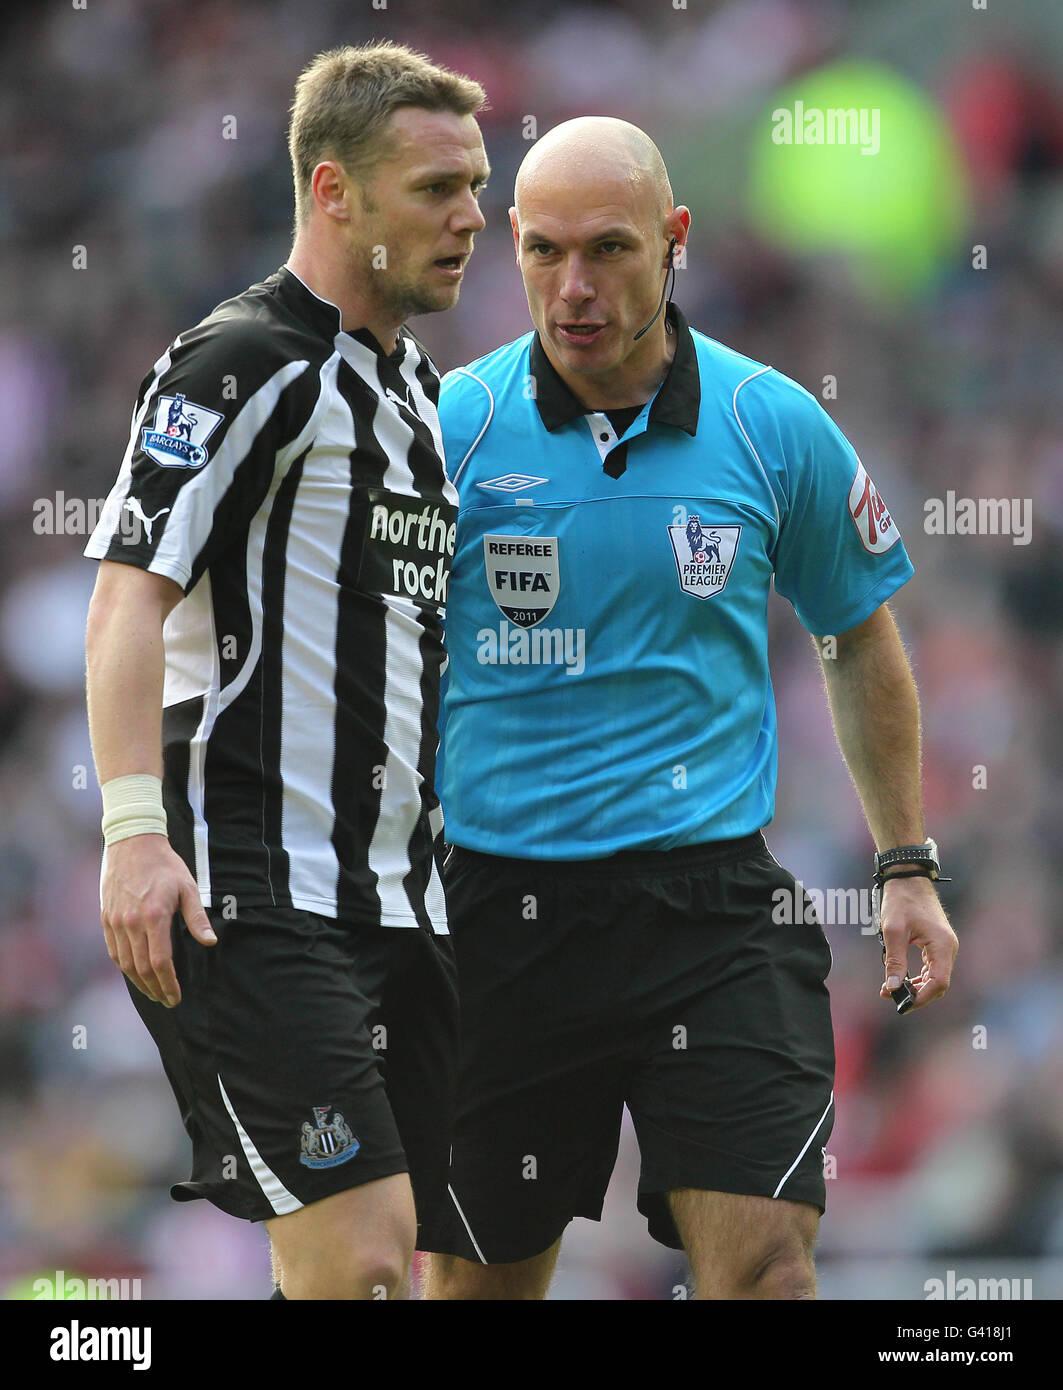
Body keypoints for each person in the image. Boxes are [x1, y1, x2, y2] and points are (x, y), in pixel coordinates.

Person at [422, 116, 958, 1300]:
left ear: (673, 242)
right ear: (508, 244)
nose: (575, 288)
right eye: (546, 251)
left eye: (609, 249)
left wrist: (905, 861)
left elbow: (856, 632)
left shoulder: (772, 425)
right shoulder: (445, 431)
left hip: (708, 910)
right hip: (498, 912)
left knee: (768, 1271)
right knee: (473, 1291)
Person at [83, 42, 489, 1300]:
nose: (471, 216)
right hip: (251, 890)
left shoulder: (418, 395)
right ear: (332, 192)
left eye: (477, 184)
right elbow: (124, 598)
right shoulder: (244, 359)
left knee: (413, 1268)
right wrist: (134, 833)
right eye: (434, 188)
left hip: (401, 906)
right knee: (358, 1262)